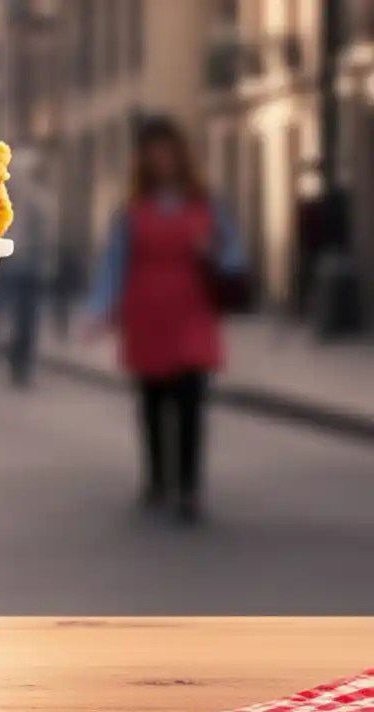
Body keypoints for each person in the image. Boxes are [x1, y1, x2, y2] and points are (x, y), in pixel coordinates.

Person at [86, 117, 247, 523]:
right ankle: (158, 478)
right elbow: (115, 264)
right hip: (147, 313)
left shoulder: (206, 204)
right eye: (153, 153)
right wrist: (101, 309)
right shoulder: (132, 212)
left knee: (192, 397)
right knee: (153, 399)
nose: (161, 160)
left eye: (167, 151)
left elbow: (234, 256)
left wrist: (214, 253)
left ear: (179, 156)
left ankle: (189, 486)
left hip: (192, 310)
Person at [0, 147, 53, 388]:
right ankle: (15, 366)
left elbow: (45, 235)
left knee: (24, 320)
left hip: (26, 266)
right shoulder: (25, 198)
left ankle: (19, 366)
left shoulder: (37, 198)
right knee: (9, 318)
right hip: (16, 265)